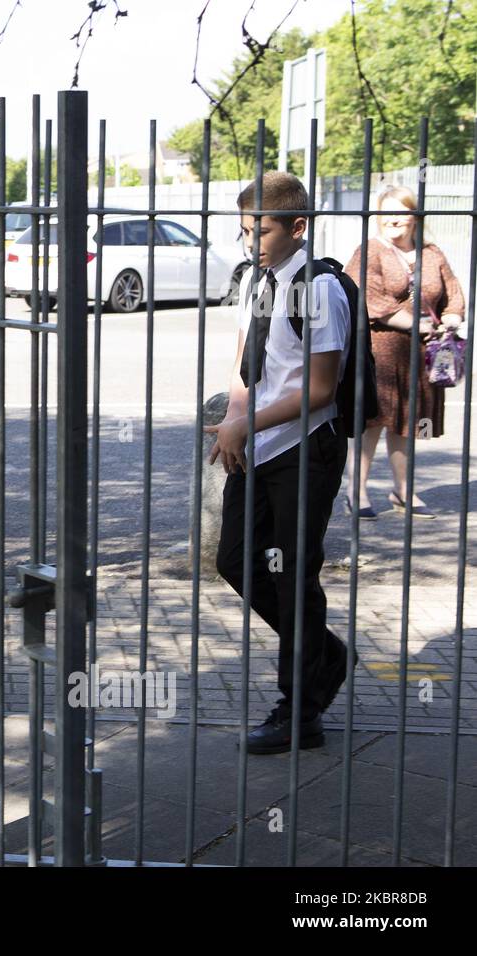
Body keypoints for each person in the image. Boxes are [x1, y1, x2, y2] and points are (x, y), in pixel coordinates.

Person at [205, 171, 353, 756]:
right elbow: (248, 365)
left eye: (261, 230)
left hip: (305, 448)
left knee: (295, 577)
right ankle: (326, 653)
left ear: (298, 226)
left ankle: (301, 711)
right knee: (237, 560)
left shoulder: (320, 289)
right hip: (259, 442)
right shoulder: (255, 280)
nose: (252, 242)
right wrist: (236, 423)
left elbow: (321, 389)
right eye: (244, 231)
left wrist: (251, 423)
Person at [344, 185, 466, 520]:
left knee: (408, 425)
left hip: (421, 356)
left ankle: (403, 490)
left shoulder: (432, 252)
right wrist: (421, 325)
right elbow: (366, 298)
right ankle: (357, 491)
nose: (393, 219)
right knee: (371, 423)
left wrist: (452, 318)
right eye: (387, 212)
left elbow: (453, 294)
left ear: (415, 216)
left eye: (401, 212)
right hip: (378, 352)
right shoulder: (369, 251)